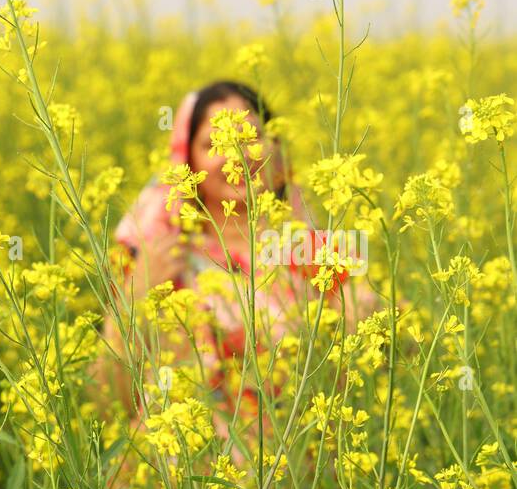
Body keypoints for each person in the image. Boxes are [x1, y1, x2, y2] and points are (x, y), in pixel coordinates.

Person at [98, 79, 376, 443]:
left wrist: (368, 317)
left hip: (290, 473)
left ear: (275, 146)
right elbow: (108, 400)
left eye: (250, 137)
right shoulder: (155, 252)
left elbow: (387, 352)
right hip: (179, 478)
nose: (239, 155)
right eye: (215, 143)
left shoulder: (310, 246)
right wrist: (136, 294)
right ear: (187, 159)